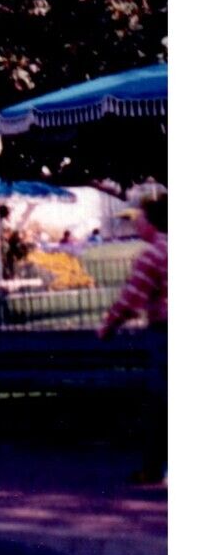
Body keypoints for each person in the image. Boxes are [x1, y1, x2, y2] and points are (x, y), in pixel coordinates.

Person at [98, 196, 167, 485]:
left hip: (166, 331)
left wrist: (109, 326)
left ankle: (153, 470)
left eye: (140, 218)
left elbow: (131, 300)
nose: (136, 223)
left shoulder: (152, 254)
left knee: (161, 403)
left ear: (151, 222)